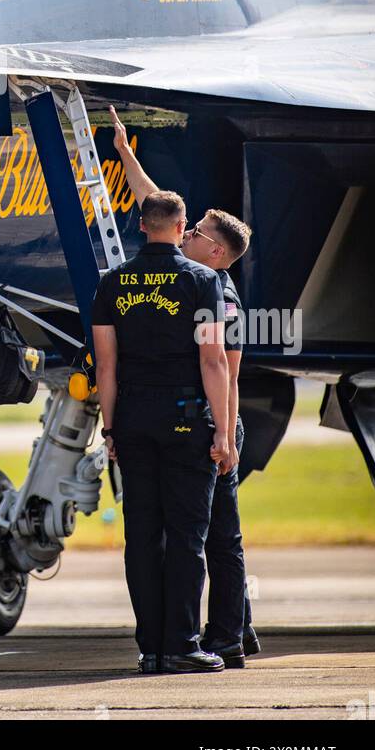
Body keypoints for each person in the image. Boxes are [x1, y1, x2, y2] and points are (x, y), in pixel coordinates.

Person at [107, 104, 258, 664]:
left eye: (196, 233)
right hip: (196, 417)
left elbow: (228, 372)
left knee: (220, 538)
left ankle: (226, 636)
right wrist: (125, 152)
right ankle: (221, 634)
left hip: (216, 419)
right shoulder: (193, 279)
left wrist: (226, 438)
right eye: (186, 228)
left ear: (214, 252)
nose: (186, 234)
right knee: (201, 535)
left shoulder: (220, 294)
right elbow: (160, 211)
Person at [91, 189, 229, 675]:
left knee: (143, 536)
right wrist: (224, 433)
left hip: (132, 419)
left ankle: (150, 647)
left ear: (142, 225)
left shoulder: (110, 284)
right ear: (180, 225)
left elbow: (105, 368)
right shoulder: (202, 280)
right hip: (186, 418)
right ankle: (183, 644)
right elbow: (212, 360)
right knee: (187, 536)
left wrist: (110, 429)